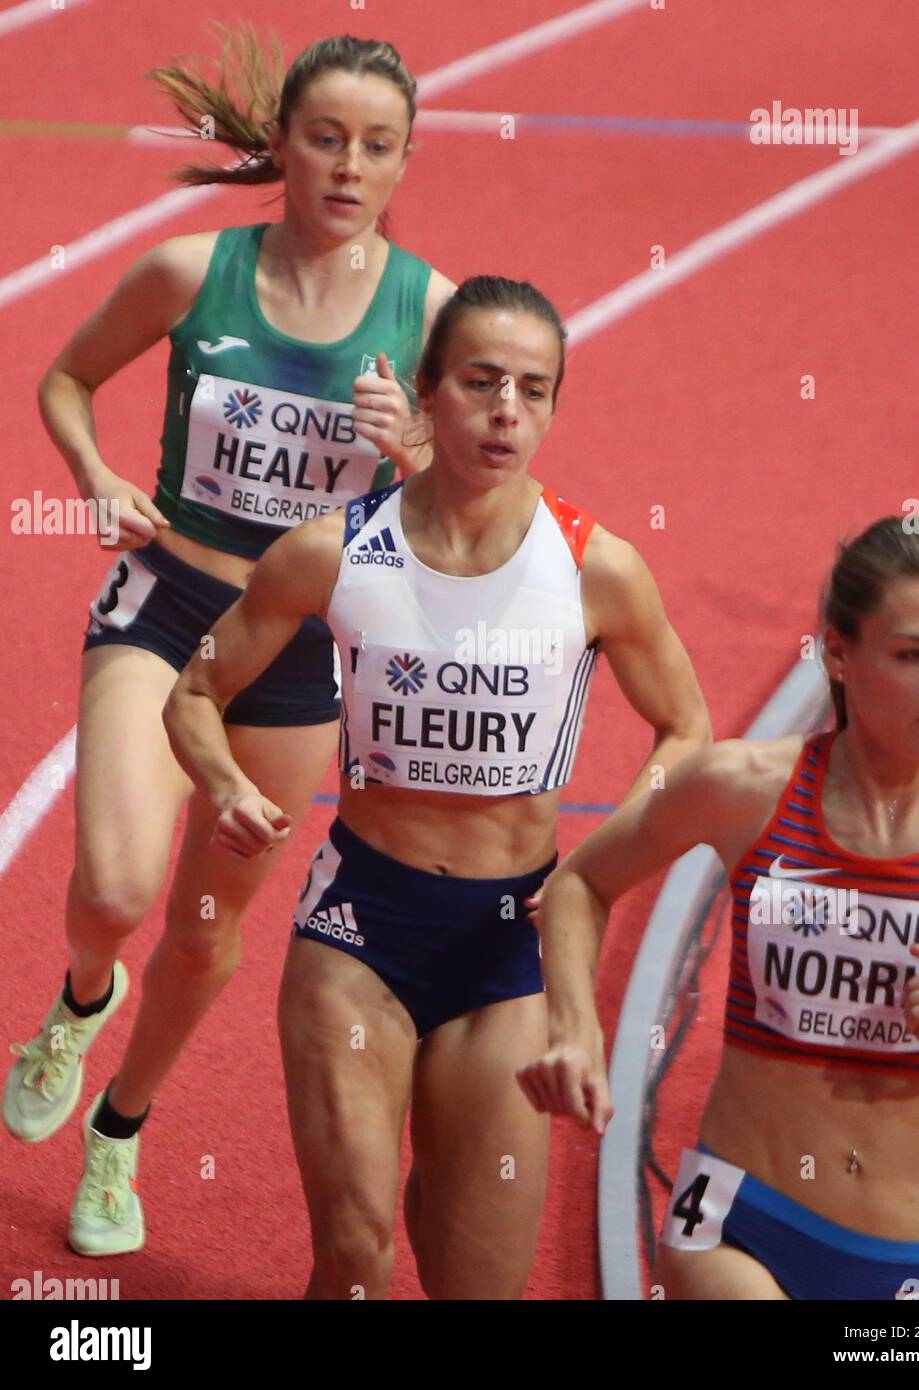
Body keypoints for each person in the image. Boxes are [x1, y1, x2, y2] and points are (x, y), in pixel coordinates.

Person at [162, 275, 712, 1297]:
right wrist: (223, 778)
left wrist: (610, 852)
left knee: (477, 1281)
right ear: (427, 392)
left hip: (512, 944)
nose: (508, 410)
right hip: (362, 925)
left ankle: (444, 1184)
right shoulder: (333, 552)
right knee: (359, 1252)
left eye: (535, 390)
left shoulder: (598, 569)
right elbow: (195, 692)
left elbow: (685, 729)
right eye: (482, 381)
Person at [3, 30, 457, 1259]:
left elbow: (480, 510)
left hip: (304, 650)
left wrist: (415, 450)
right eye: (326, 139)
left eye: (376, 146)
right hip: (164, 602)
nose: (348, 166)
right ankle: (79, 999)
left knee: (206, 927)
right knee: (111, 888)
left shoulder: (436, 314)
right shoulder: (190, 271)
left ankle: (120, 1124)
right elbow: (61, 379)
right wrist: (95, 473)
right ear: (283, 147)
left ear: (404, 160)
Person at [519, 518, 919, 1300]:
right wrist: (575, 1032)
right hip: (737, 1218)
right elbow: (582, 884)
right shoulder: (741, 788)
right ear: (839, 654)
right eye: (915, 654)